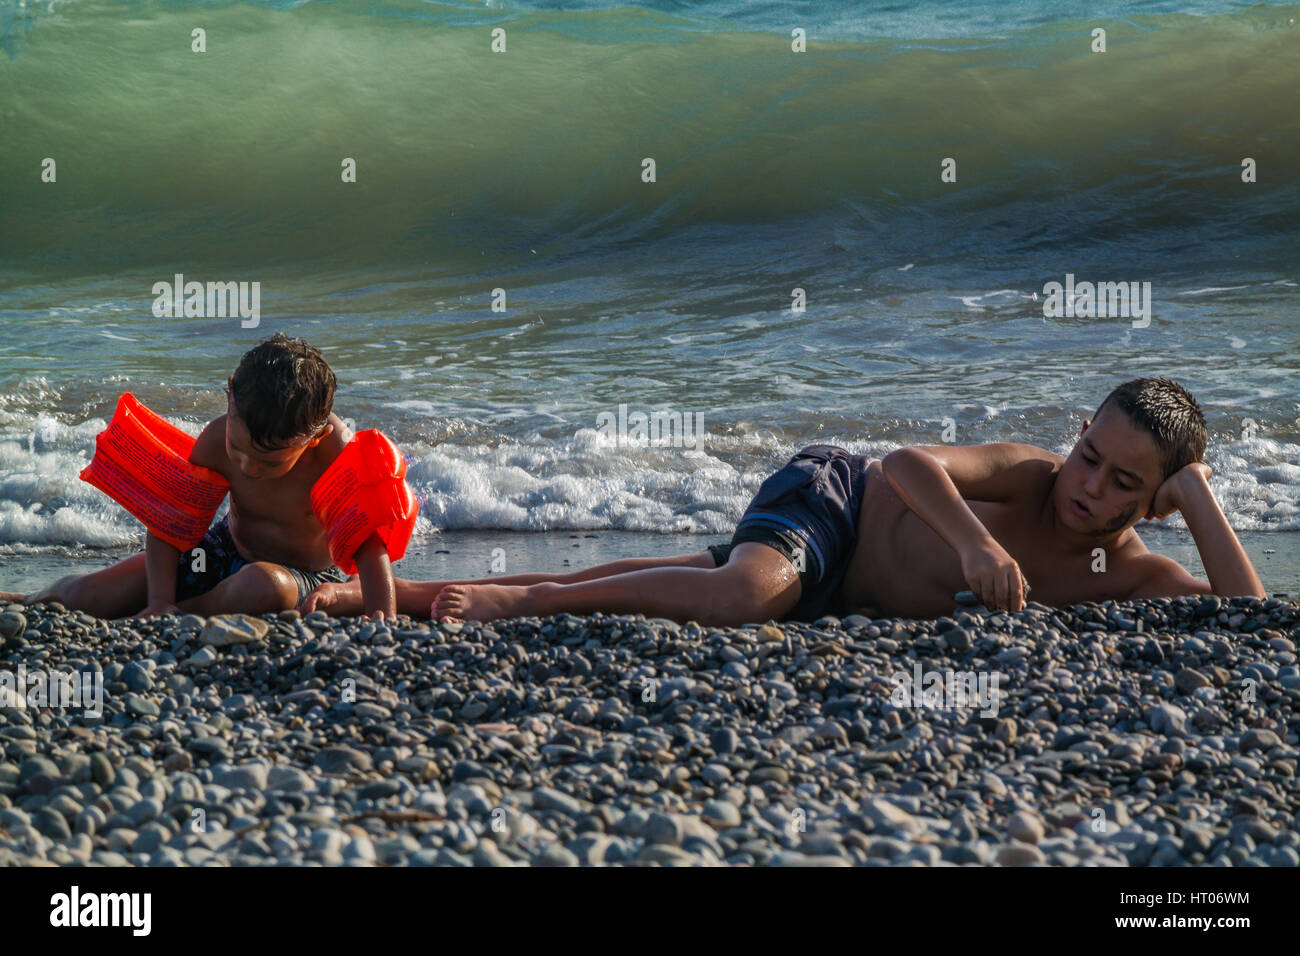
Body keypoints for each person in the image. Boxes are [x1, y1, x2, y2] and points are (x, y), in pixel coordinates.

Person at [301, 377, 1265, 625]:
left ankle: (375, 597)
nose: (1088, 486)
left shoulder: (1129, 568)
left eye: (1125, 482)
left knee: (666, 578)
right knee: (737, 596)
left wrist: (1204, 501)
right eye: (1090, 454)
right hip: (832, 499)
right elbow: (902, 467)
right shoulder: (1024, 474)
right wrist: (974, 545)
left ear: (1158, 502)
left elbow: (1245, 618)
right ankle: (528, 602)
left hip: (823, 587)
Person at [5, 334, 407, 619]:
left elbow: (368, 546)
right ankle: (26, 598)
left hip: (302, 575)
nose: (248, 468)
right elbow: (169, 526)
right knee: (89, 594)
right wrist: (158, 596)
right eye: (239, 452)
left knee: (266, 588)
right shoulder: (216, 440)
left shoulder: (334, 454)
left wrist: (381, 619)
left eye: (268, 463)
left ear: (315, 438)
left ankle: (185, 614)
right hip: (216, 555)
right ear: (230, 395)